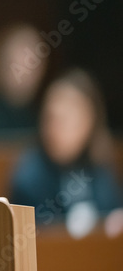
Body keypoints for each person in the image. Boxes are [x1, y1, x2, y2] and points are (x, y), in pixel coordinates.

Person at [10, 69, 123, 235]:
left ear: (90, 121)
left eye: (66, 119)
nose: (56, 129)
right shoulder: (28, 176)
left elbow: (113, 215)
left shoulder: (99, 165)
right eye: (51, 118)